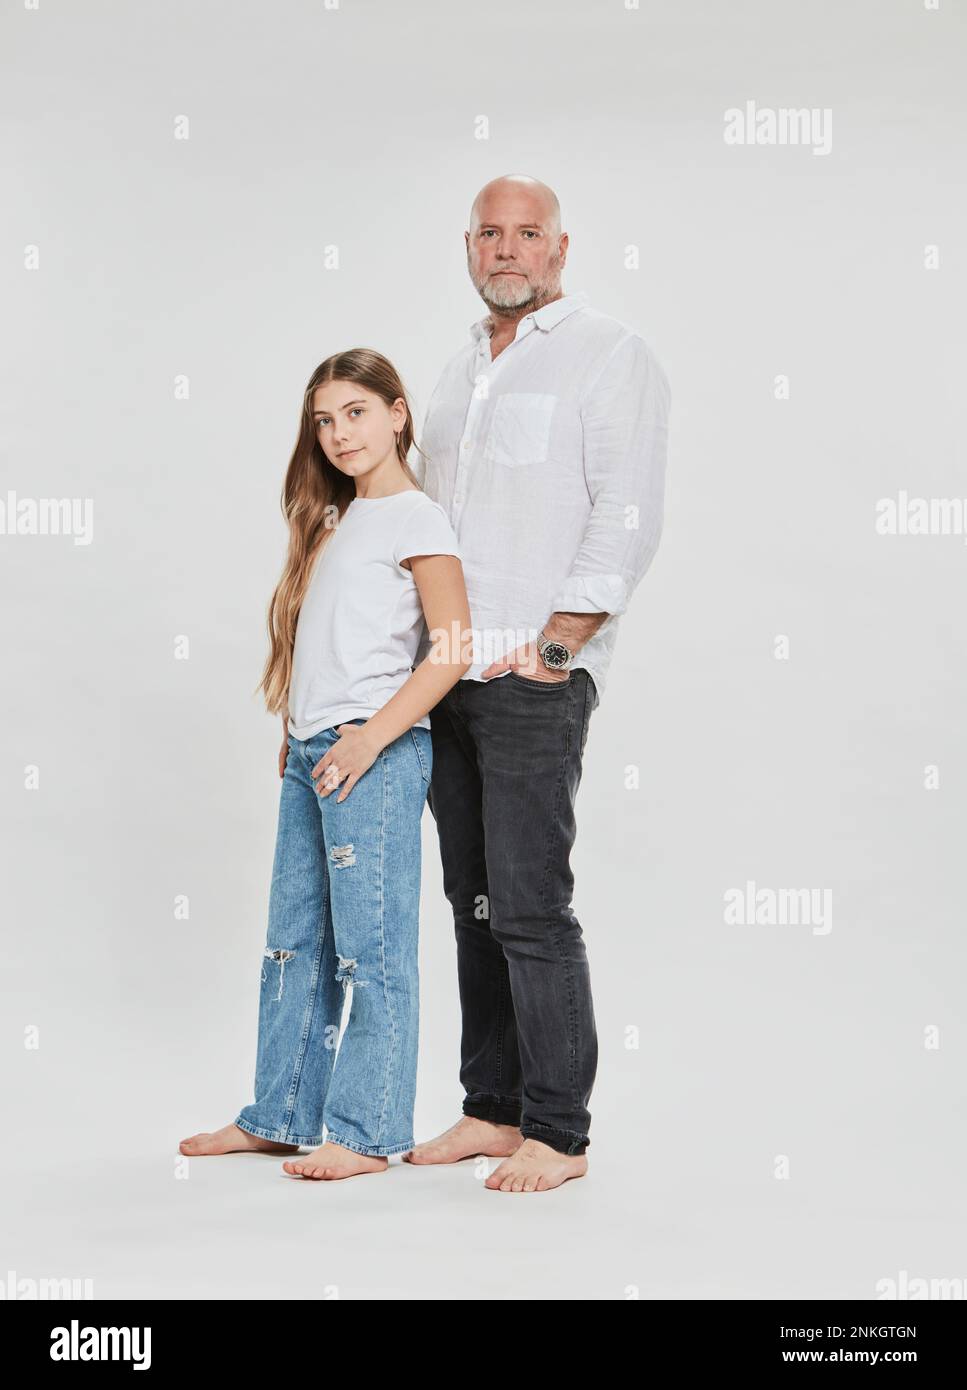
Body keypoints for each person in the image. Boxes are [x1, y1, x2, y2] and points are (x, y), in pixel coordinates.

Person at [403, 174, 671, 1193]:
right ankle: (490, 1107)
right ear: (467, 247)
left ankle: (558, 1131)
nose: (506, 250)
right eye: (488, 234)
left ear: (559, 249)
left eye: (528, 234)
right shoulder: (456, 369)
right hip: (448, 673)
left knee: (528, 905)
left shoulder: (609, 354)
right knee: (470, 899)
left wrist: (556, 648)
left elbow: (628, 515)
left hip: (530, 680)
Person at [180, 349, 472, 1180]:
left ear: (396, 414)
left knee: (371, 950)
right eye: (324, 419)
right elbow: (332, 639)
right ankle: (278, 1113)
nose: (339, 432)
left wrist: (370, 736)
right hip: (313, 748)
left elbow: (449, 650)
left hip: (368, 754)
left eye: (355, 412)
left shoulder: (418, 518)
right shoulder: (338, 519)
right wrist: (296, 724)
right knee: (292, 943)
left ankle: (368, 1131)